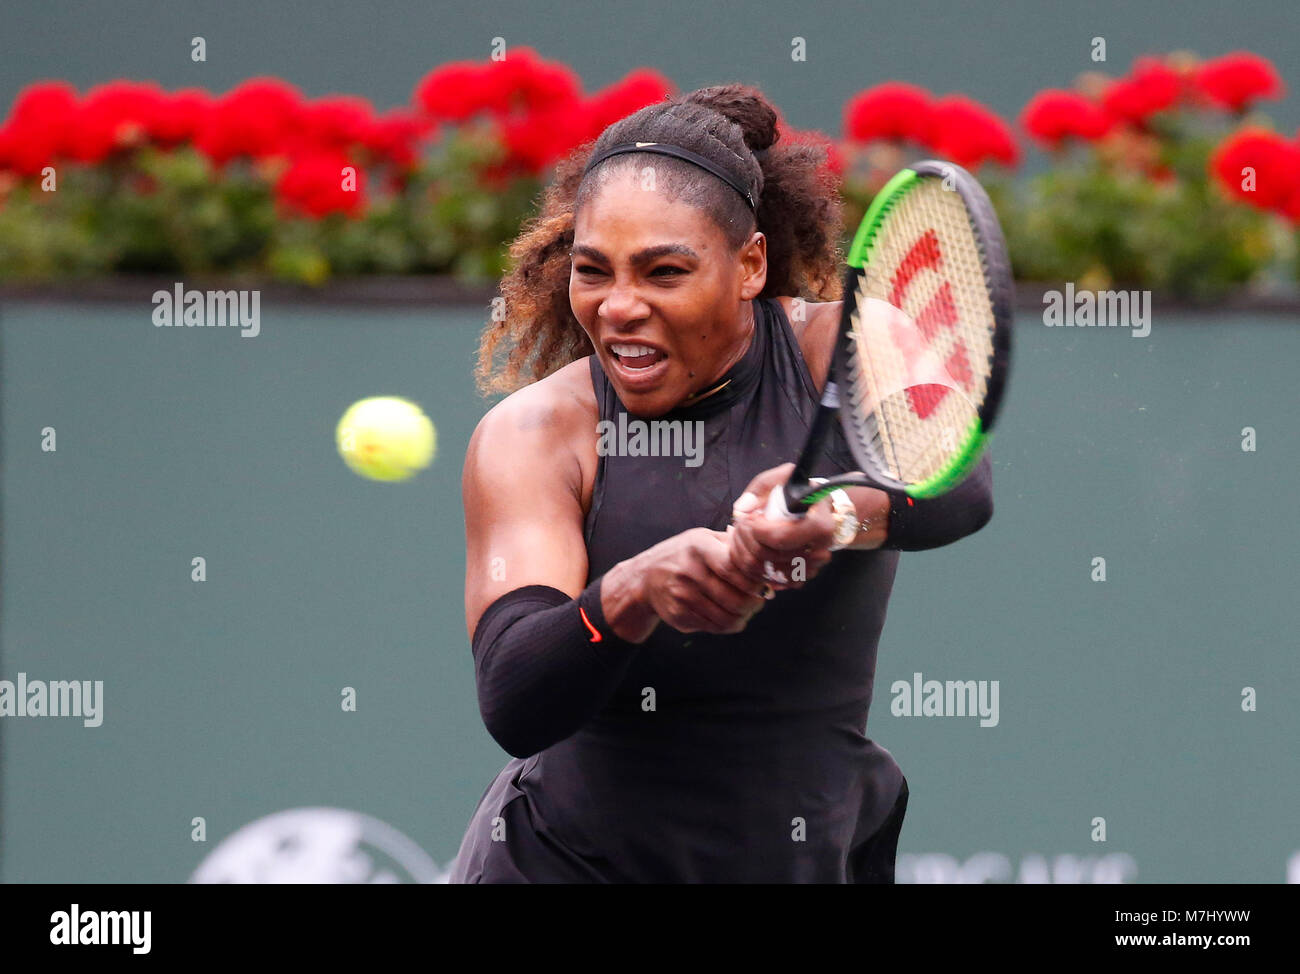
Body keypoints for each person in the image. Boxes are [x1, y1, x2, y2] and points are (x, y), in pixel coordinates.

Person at [449, 83, 993, 883]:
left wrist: (829, 512)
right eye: (593, 271)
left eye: (664, 272)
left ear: (750, 265)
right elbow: (515, 695)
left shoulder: (842, 343)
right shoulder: (534, 433)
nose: (619, 307)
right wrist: (632, 592)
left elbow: (959, 485)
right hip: (566, 865)